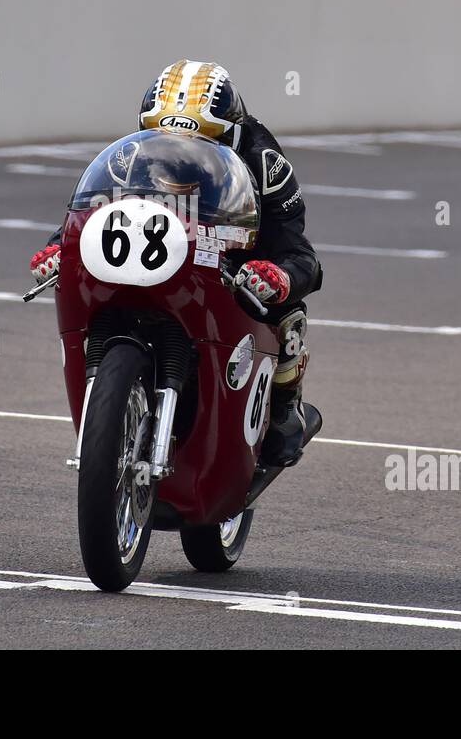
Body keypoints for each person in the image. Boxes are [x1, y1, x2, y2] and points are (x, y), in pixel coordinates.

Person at [30, 61, 324, 468]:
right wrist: (57, 247)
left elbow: (298, 249)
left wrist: (279, 274)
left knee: (288, 315)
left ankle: (285, 407)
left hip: (234, 253)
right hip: (166, 248)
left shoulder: (265, 164)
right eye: (163, 136)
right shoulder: (130, 156)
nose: (181, 150)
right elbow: (94, 214)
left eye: (203, 140)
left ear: (232, 133)